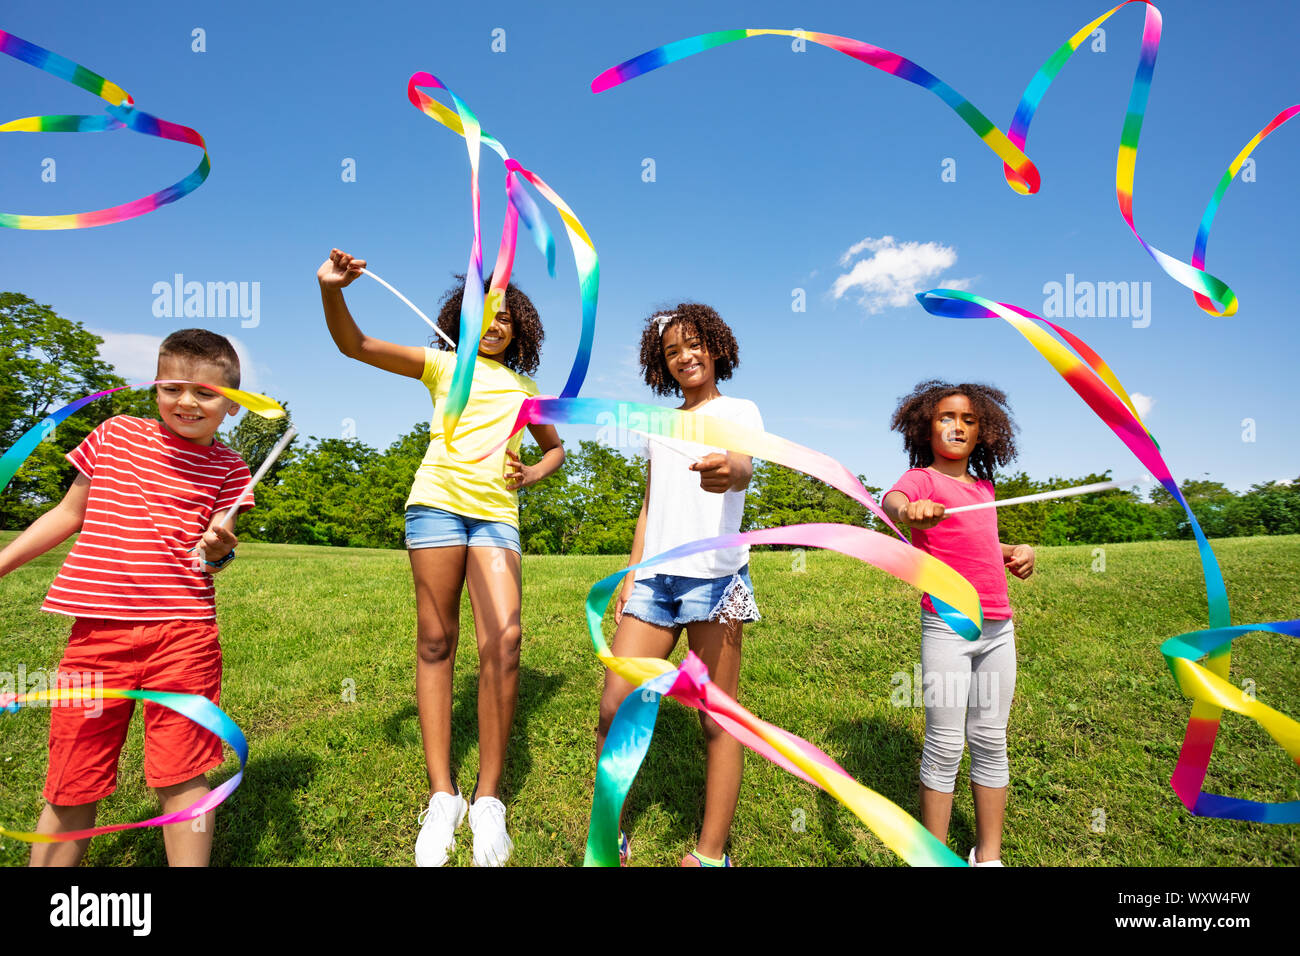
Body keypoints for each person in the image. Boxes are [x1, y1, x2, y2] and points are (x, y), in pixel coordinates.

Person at [317, 249, 564, 867]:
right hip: (435, 508)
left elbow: (555, 450)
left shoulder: (527, 389)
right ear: (463, 319)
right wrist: (331, 290)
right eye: (486, 313)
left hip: (496, 518)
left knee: (504, 642)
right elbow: (357, 345)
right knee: (435, 641)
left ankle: (487, 800)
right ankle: (442, 796)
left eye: (507, 317)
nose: (496, 323)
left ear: (520, 329)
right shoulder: (442, 365)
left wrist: (533, 470)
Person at [0, 329, 252, 866]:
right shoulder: (116, 435)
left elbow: (217, 556)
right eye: (173, 388)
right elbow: (69, 515)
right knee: (73, 775)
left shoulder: (231, 470)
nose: (187, 402)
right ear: (156, 387)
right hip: (97, 636)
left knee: (183, 771)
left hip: (184, 637)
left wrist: (217, 549)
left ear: (231, 405)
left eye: (206, 394)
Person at [596, 303, 762, 867]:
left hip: (715, 583)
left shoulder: (741, 410)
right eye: (672, 351)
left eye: (694, 344)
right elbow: (650, 504)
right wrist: (631, 572)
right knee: (615, 705)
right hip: (654, 582)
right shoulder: (658, 426)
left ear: (715, 348)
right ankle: (608, 835)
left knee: (718, 717)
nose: (685, 356)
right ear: (660, 364)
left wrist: (729, 472)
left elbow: (742, 466)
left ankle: (710, 855)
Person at [881, 380, 1035, 867]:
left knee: (991, 738)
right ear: (926, 426)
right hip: (950, 626)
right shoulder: (922, 480)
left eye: (969, 420)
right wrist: (911, 512)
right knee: (946, 743)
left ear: (983, 432)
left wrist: (1017, 551)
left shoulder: (984, 490)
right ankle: (932, 856)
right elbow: (893, 503)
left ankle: (988, 855)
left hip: (999, 629)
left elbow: (984, 542)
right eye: (947, 417)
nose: (957, 426)